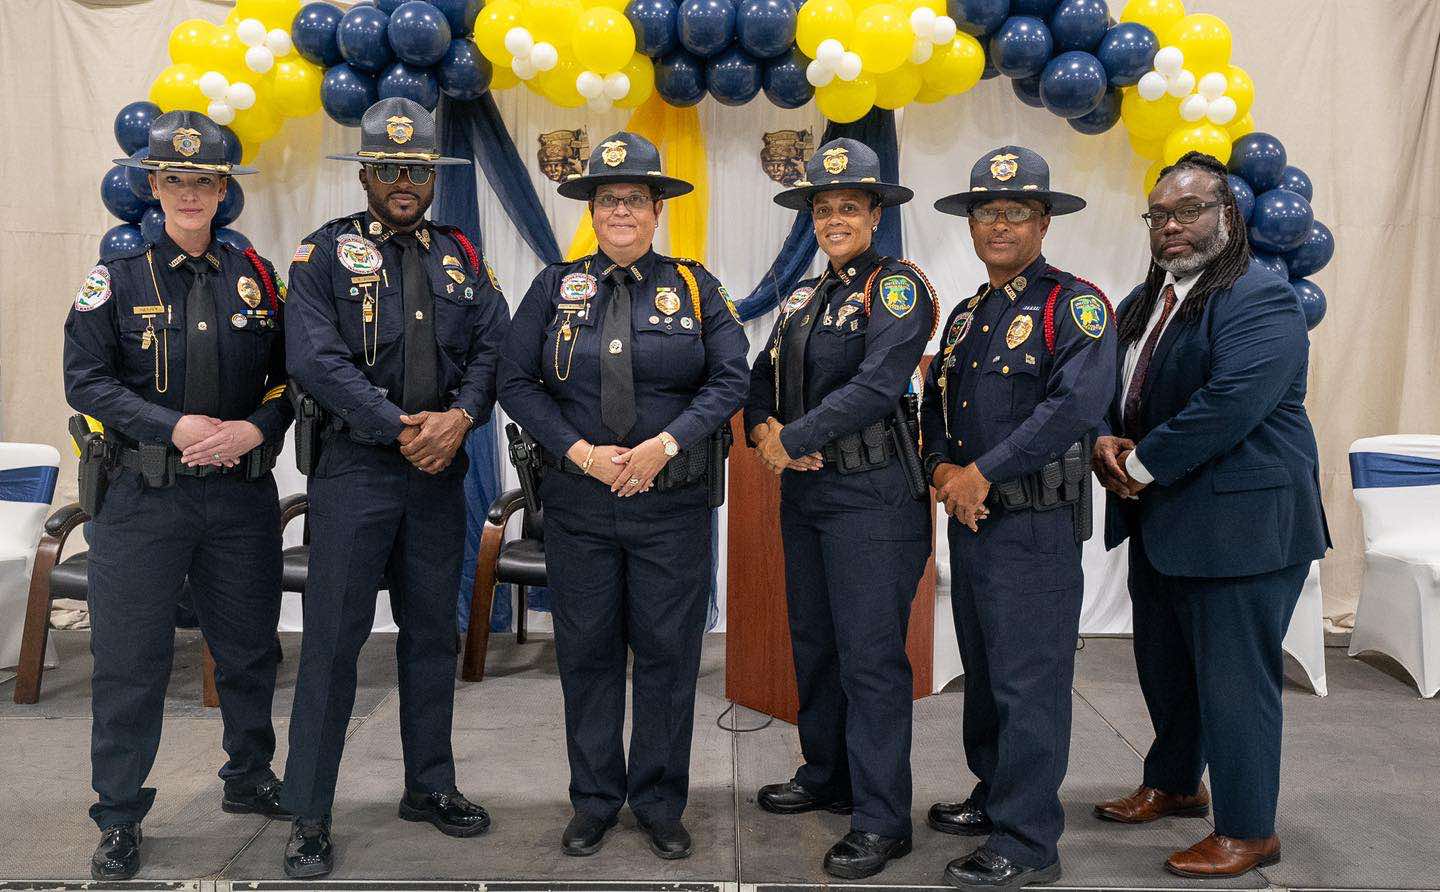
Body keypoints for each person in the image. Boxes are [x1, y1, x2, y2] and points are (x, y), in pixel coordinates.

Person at [497, 132, 749, 861]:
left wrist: (663, 446)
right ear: (593, 209)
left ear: (657, 209)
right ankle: (595, 800)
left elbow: (730, 378)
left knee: (669, 657)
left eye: (635, 199)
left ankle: (661, 802)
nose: (622, 212)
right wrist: (580, 452)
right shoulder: (554, 286)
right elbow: (516, 383)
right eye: (609, 199)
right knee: (587, 654)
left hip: (670, 504)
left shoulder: (697, 286)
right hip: (579, 506)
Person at [279, 98, 510, 878]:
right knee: (333, 646)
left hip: (438, 478)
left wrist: (462, 417)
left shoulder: (462, 259)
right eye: (390, 168)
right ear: (368, 173)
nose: (404, 182)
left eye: (417, 169)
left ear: (431, 176)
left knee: (429, 638)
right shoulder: (321, 256)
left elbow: (492, 344)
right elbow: (314, 361)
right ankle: (308, 811)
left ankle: (430, 785)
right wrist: (401, 426)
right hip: (355, 474)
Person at [64, 110, 293, 880]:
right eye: (173, 179)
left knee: (250, 650)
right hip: (142, 499)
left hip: (239, 500)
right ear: (153, 187)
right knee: (130, 660)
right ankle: (120, 814)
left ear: (222, 190)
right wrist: (174, 425)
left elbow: (295, 380)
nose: (188, 193)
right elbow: (85, 379)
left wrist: (258, 429)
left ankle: (249, 775)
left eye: (203, 180)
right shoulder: (119, 278)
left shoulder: (257, 277)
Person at [1090, 151, 1328, 879]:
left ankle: (1249, 829)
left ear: (1228, 215)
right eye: (1160, 214)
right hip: (1165, 519)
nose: (1171, 226)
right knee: (1165, 669)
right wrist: (1105, 435)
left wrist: (1136, 464)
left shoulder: (1260, 295)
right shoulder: (1146, 301)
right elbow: (1123, 386)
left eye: (1188, 210)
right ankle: (1172, 783)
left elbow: (1231, 404)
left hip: (1244, 529)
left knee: (1234, 682)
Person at [922, 147, 1117, 891]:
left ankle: (1030, 840)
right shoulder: (972, 313)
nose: (998, 224)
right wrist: (944, 470)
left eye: (1015, 212)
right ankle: (995, 794)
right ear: (971, 224)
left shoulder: (1075, 306)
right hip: (973, 522)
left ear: (1042, 221)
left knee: (1029, 683)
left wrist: (980, 474)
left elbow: (1071, 408)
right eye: (985, 212)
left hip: (1034, 528)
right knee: (986, 674)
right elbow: (939, 405)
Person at [745, 138, 938, 880]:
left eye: (848, 207)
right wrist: (766, 431)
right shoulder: (801, 297)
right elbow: (761, 379)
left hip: (873, 499)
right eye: (823, 209)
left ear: (875, 214)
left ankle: (884, 819)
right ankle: (828, 772)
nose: (834, 219)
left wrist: (790, 438)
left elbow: (879, 383)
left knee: (871, 660)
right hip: (809, 494)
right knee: (816, 643)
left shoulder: (896, 289)